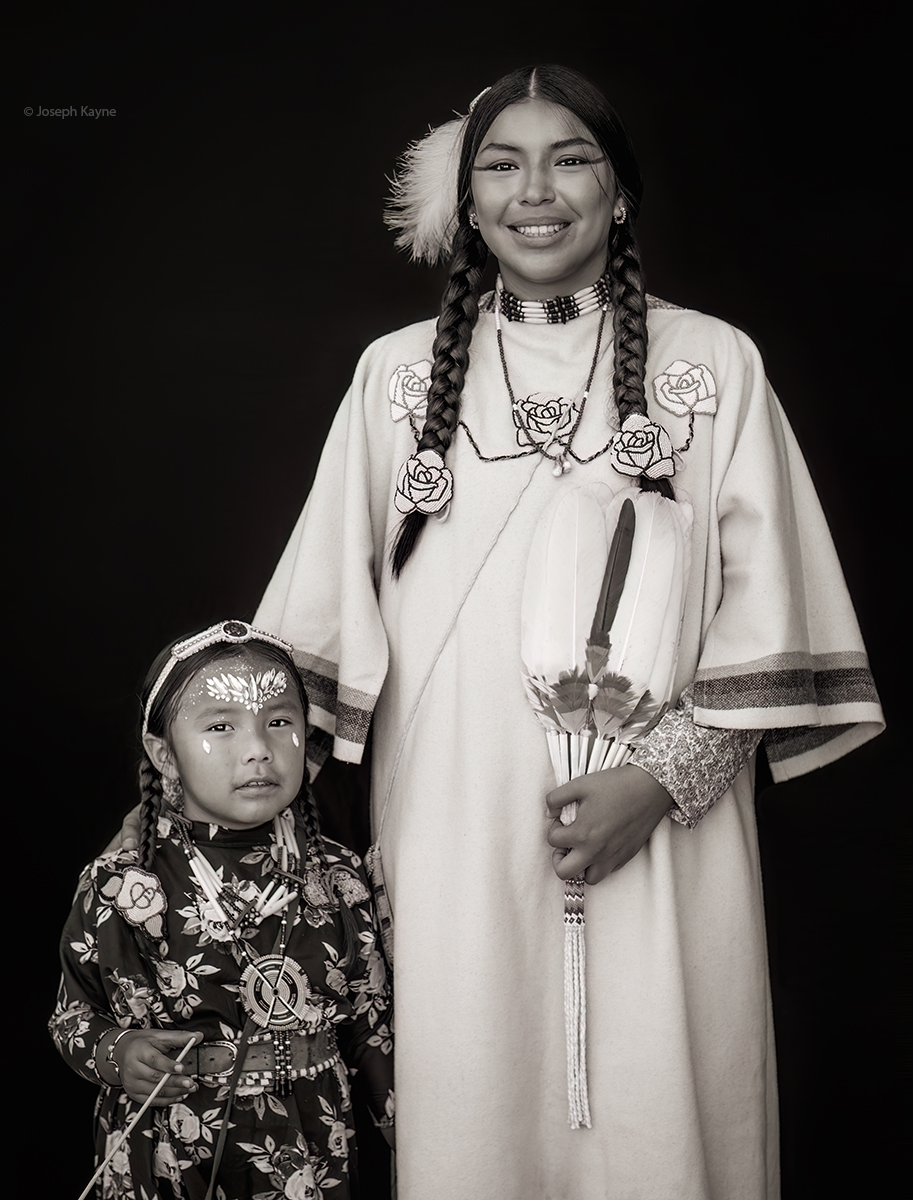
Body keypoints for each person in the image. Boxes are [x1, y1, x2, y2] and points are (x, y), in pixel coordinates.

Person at [119, 64, 882, 1199]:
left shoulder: (711, 366)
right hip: (451, 826)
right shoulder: (393, 379)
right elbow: (294, 653)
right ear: (467, 203)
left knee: (665, 1098)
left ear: (618, 192)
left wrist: (660, 782)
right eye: (500, 163)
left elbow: (770, 622)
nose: (537, 190)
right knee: (474, 1098)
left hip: (663, 819)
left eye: (570, 157)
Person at [51, 620, 394, 1200]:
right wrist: (120, 1053)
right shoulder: (121, 885)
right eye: (221, 727)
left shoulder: (339, 876)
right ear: (164, 753)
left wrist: (412, 1133)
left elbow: (368, 1024)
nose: (258, 748)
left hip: (310, 1148)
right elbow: (71, 1017)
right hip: (171, 1145)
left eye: (280, 722)